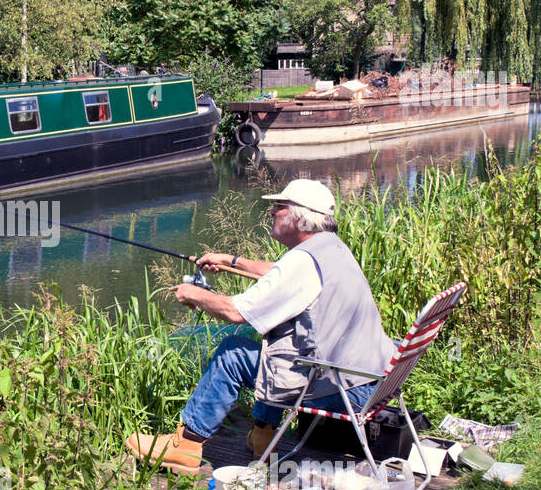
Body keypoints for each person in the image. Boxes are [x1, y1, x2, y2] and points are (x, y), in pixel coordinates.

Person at [125, 179, 396, 473]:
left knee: (234, 353)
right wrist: (231, 260)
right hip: (369, 379)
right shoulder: (331, 248)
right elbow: (279, 272)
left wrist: (195, 294)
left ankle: (187, 444)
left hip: (340, 389)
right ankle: (263, 434)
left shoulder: (303, 263)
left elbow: (235, 311)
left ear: (301, 218)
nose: (272, 212)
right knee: (278, 349)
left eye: (279, 207)